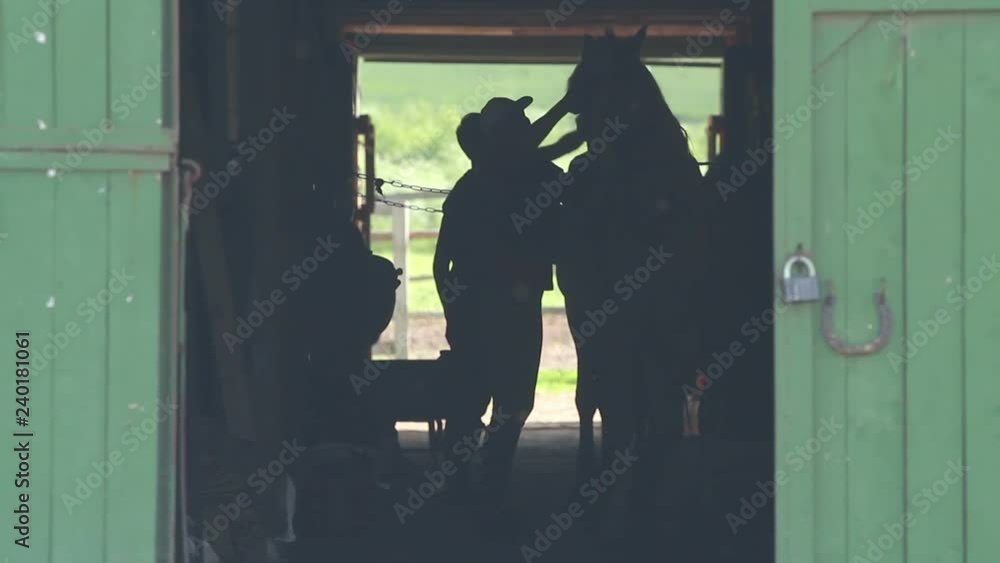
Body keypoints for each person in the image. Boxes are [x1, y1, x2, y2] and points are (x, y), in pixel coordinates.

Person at [433, 94, 578, 524]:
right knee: (512, 403)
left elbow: (442, 264)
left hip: (475, 313)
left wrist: (452, 314)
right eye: (517, 127)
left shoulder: (471, 186)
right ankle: (490, 493)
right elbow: (553, 161)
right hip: (513, 313)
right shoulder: (530, 178)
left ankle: (464, 492)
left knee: (471, 402)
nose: (524, 133)